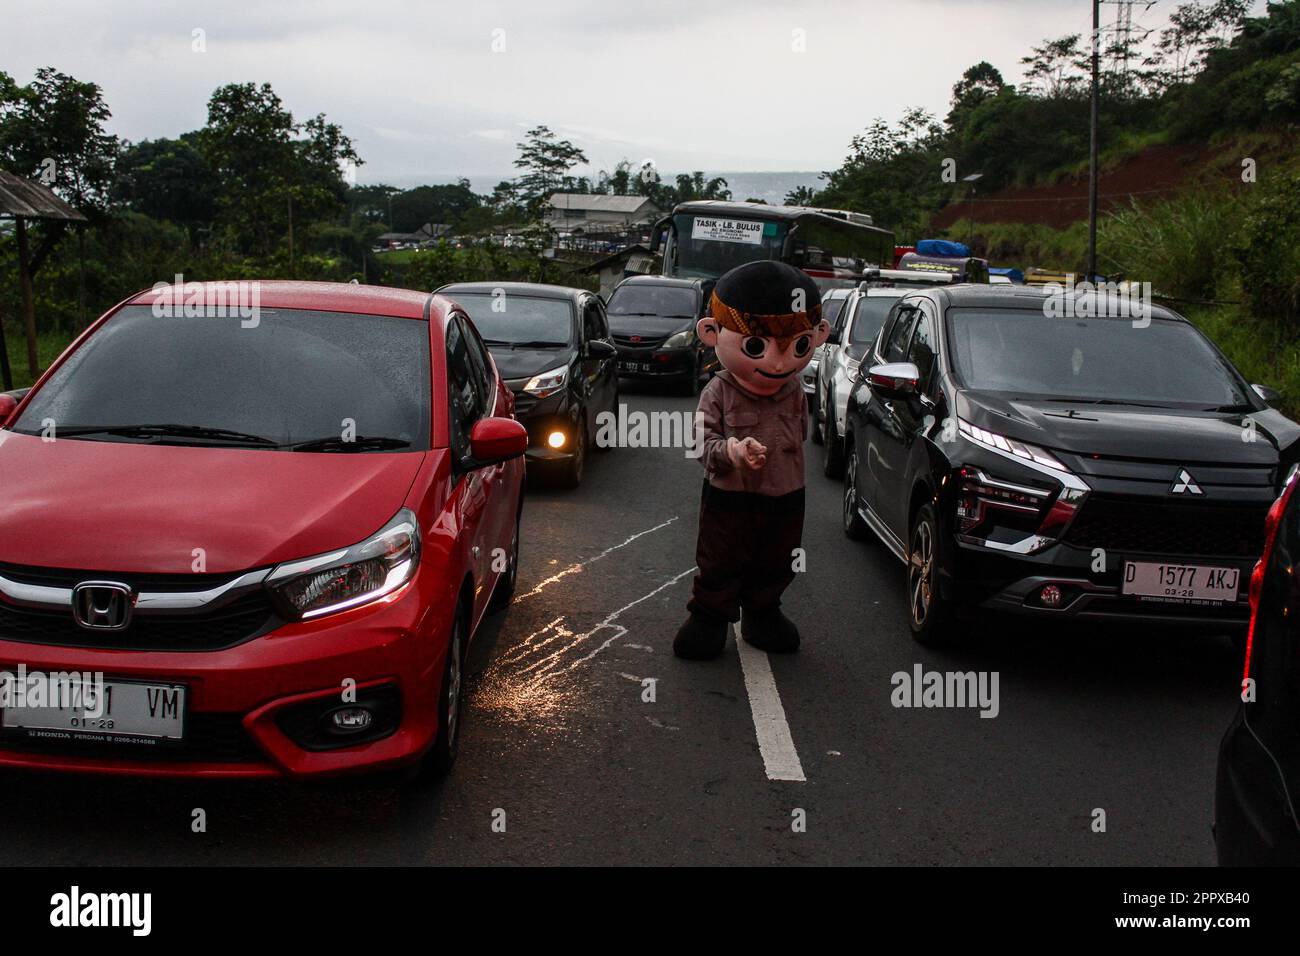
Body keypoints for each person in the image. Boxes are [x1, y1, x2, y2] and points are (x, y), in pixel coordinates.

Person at [673, 260, 830, 660]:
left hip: (785, 497)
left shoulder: (795, 391)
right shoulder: (718, 392)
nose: (778, 363)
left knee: (777, 558)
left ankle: (763, 612)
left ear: (818, 336)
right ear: (712, 333)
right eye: (757, 346)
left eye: (796, 346)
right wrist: (733, 453)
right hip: (730, 498)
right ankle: (710, 616)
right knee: (720, 559)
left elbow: (800, 436)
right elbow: (699, 444)